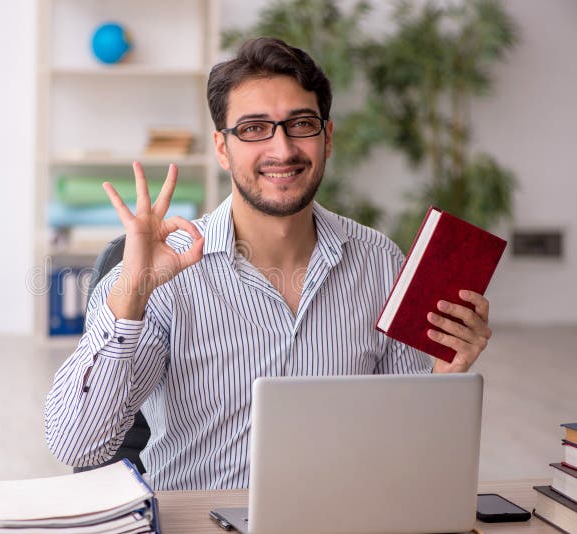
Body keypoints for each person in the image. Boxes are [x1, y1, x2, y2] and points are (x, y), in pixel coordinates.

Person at [45, 37, 492, 490]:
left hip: (341, 518)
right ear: (222, 148)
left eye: (300, 123)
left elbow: (407, 443)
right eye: (255, 128)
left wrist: (446, 376)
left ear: (327, 137)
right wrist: (132, 293)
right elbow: (78, 446)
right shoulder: (163, 277)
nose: (282, 149)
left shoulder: (379, 261)